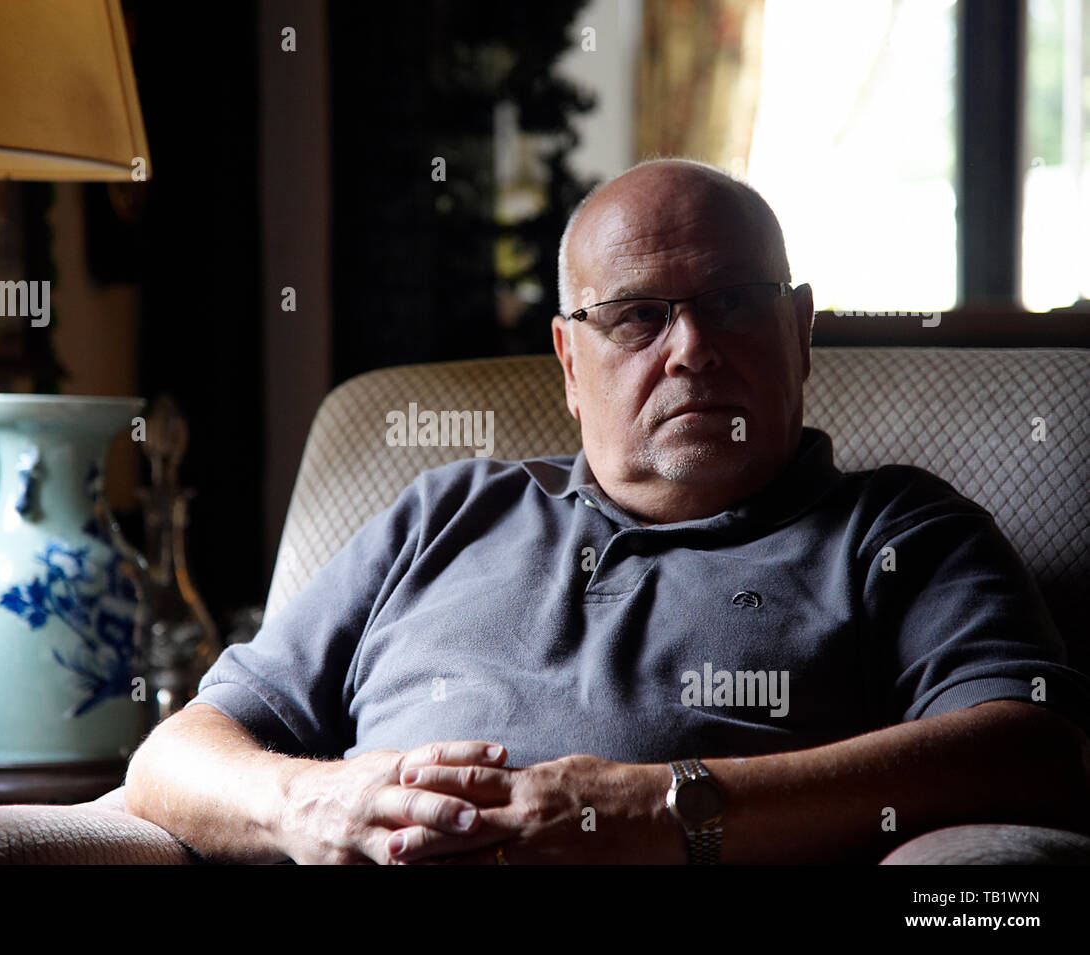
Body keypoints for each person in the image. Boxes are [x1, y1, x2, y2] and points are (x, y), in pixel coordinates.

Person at [124, 159, 1090, 865]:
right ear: (568, 360)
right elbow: (174, 756)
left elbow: (1032, 747)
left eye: (734, 301)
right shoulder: (445, 511)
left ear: (800, 332)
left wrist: (665, 806)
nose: (693, 349)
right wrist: (314, 802)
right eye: (638, 315)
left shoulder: (898, 531)